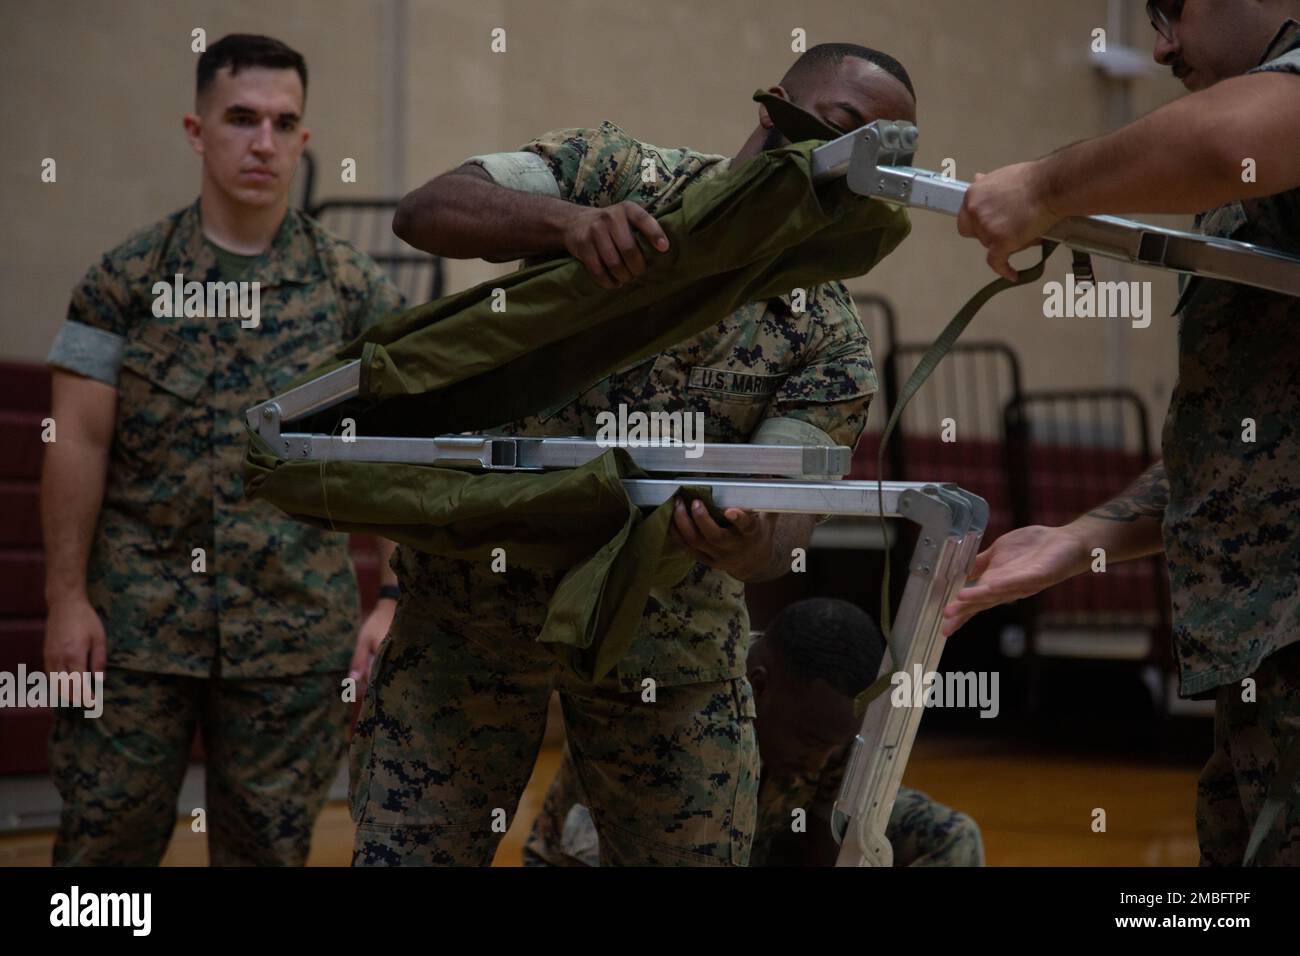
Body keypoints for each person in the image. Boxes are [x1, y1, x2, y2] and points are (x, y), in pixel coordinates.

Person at [349, 42, 919, 866]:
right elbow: (430, 208)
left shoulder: (826, 338)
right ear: (774, 109)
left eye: (885, 158)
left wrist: (749, 538)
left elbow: (783, 521)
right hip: (470, 610)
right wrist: (569, 225)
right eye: (843, 131)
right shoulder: (613, 173)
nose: (856, 167)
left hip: (667, 637)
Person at [945, 0, 1300, 865]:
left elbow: (1235, 137)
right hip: (1261, 665)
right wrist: (1080, 540)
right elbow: (1251, 440)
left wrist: (1043, 187)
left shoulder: (1262, 132)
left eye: (1174, 6)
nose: (1161, 42)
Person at [41, 33, 404, 865]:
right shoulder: (125, 281)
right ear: (197, 130)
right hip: (134, 633)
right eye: (241, 118)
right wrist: (65, 597)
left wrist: (392, 597)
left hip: (293, 634)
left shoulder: (355, 294)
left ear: (304, 140)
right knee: (102, 853)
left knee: (266, 857)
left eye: (284, 123)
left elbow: (395, 451)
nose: (263, 142)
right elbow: (76, 441)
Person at [524, 598, 984, 867]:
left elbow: (827, 839)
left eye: (834, 747)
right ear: (758, 686)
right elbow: (592, 849)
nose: (818, 762)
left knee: (952, 836)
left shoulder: (830, 717)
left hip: (761, 845)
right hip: (626, 856)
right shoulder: (672, 715)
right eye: (810, 741)